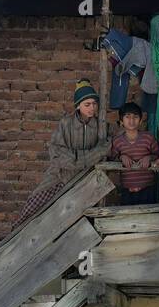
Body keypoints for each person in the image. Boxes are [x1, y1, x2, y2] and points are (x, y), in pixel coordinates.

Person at [16, 78, 110, 226]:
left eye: (94, 103)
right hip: (59, 176)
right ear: (78, 106)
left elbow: (106, 150)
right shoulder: (66, 124)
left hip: (85, 180)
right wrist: (90, 156)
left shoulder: (101, 127)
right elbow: (58, 154)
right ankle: (10, 239)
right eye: (87, 104)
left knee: (72, 220)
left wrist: (89, 156)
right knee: (32, 208)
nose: (92, 107)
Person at [109, 101, 159, 206]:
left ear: (140, 121)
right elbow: (112, 160)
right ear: (121, 121)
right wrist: (121, 157)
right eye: (127, 117)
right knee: (128, 219)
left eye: (135, 117)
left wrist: (149, 158)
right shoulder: (117, 141)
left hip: (148, 188)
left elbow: (158, 156)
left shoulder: (148, 138)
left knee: (148, 219)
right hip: (127, 190)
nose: (131, 120)